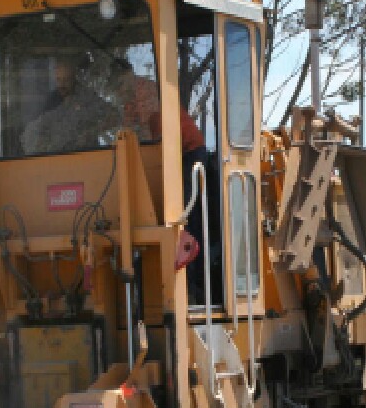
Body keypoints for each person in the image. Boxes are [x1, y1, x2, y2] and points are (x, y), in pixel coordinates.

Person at [116, 68, 219, 302]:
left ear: (127, 77)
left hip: (189, 151)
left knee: (183, 215)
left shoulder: (145, 90)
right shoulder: (131, 98)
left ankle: (193, 285)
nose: (117, 92)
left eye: (118, 85)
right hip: (172, 151)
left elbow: (142, 129)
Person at [21, 55, 116, 154]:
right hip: (58, 157)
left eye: (66, 80)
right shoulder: (51, 101)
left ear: (73, 79)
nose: (62, 85)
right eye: (59, 80)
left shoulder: (87, 97)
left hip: (88, 155)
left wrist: (92, 132)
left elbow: (113, 115)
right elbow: (39, 130)